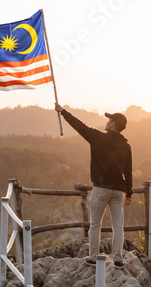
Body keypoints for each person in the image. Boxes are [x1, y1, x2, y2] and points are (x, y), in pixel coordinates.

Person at [55, 103, 132, 269]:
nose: (107, 121)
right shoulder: (126, 146)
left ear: (112, 124)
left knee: (95, 224)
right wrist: (129, 194)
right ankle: (118, 259)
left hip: (101, 188)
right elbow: (129, 171)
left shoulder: (98, 138)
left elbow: (79, 126)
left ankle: (93, 258)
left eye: (109, 119)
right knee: (118, 225)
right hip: (119, 191)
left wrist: (63, 112)